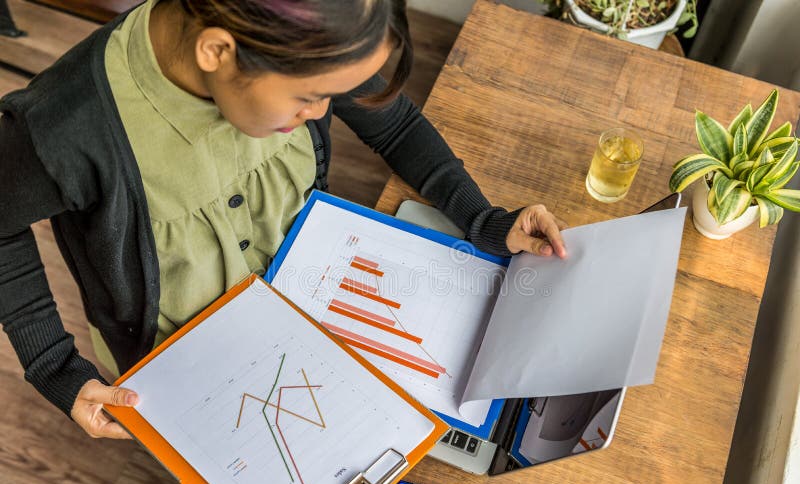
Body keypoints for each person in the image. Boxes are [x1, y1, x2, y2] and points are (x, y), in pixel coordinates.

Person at [0, 0, 567, 441]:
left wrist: (483, 218)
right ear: (217, 51)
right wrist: (54, 366)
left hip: (321, 300)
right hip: (187, 361)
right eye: (311, 97)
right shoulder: (66, 130)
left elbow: (394, 126)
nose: (323, 112)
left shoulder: (312, 34)